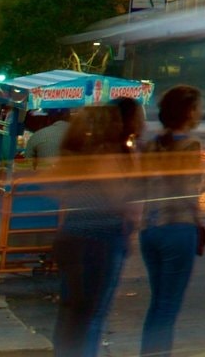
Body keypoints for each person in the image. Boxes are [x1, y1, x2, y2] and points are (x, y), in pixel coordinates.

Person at [49, 101, 142, 356]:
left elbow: (57, 190)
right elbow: (119, 200)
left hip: (71, 234)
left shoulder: (73, 154)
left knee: (70, 313)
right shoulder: (106, 156)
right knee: (92, 314)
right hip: (99, 238)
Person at [136, 86, 205, 357]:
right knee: (168, 306)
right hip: (178, 228)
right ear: (189, 112)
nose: (201, 112)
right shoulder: (190, 145)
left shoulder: (151, 145)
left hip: (149, 229)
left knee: (158, 304)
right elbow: (190, 189)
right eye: (198, 107)